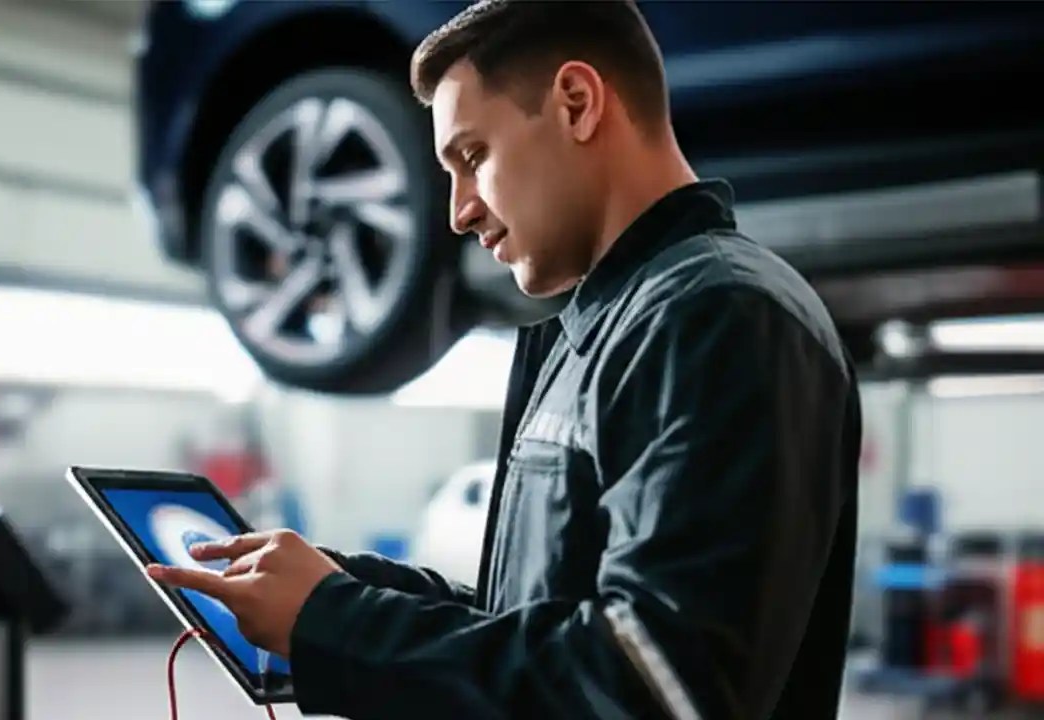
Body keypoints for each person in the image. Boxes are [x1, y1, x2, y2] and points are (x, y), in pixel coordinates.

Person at [146, 1, 862, 718]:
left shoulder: (717, 316)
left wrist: (339, 620)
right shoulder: (607, 330)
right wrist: (345, 589)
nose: (458, 210)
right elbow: (533, 618)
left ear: (576, 104)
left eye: (472, 156)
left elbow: (653, 683)